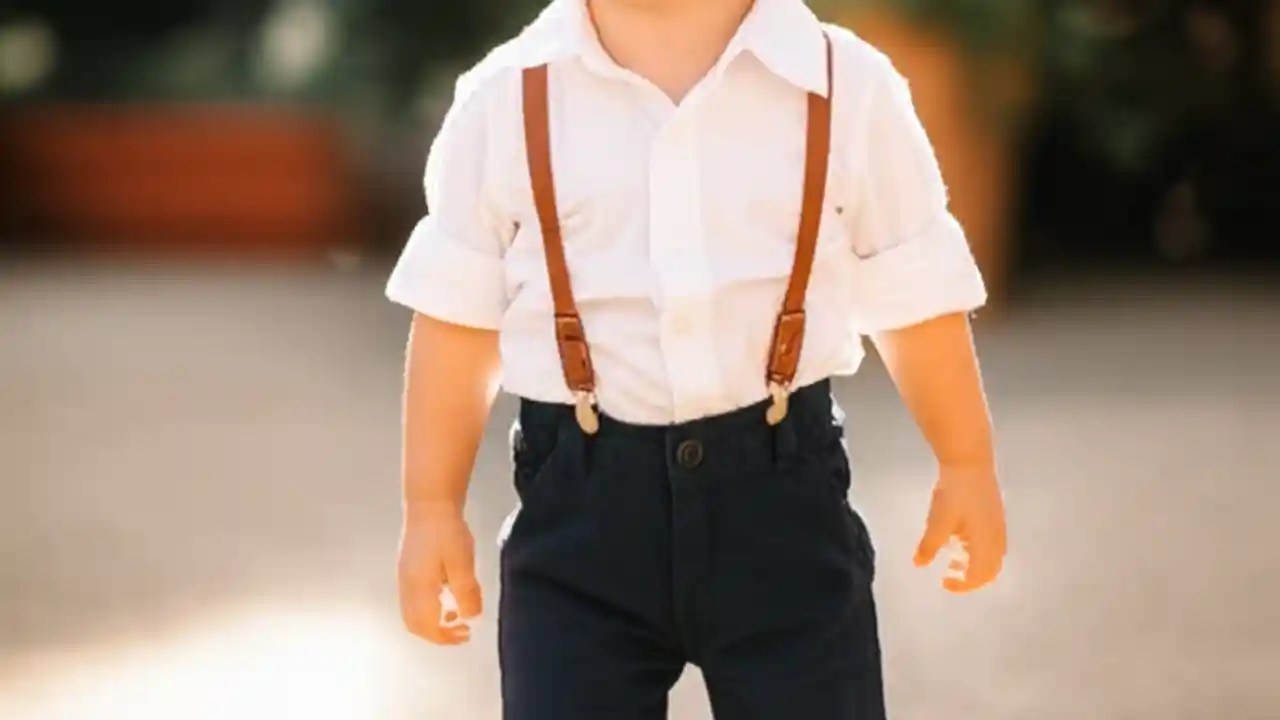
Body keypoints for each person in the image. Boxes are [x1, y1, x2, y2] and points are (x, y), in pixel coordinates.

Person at [386, 0, 1008, 717]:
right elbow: (457, 321)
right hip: (580, 528)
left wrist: (966, 461)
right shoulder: (506, 97)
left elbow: (916, 291)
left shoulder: (846, 86)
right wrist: (431, 505)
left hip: (784, 511)